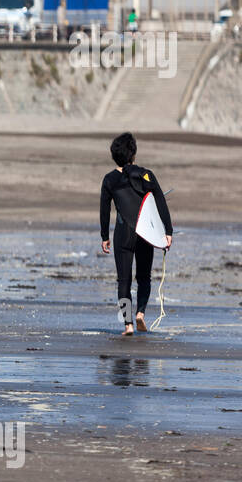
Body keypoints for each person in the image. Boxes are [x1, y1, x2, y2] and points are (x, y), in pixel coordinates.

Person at [100, 132, 173, 336]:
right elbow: (160, 201)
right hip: (144, 233)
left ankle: (128, 325)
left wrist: (104, 236)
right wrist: (168, 231)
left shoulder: (109, 180)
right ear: (134, 153)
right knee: (144, 278)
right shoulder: (146, 175)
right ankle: (140, 312)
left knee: (123, 281)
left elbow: (104, 210)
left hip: (123, 234)